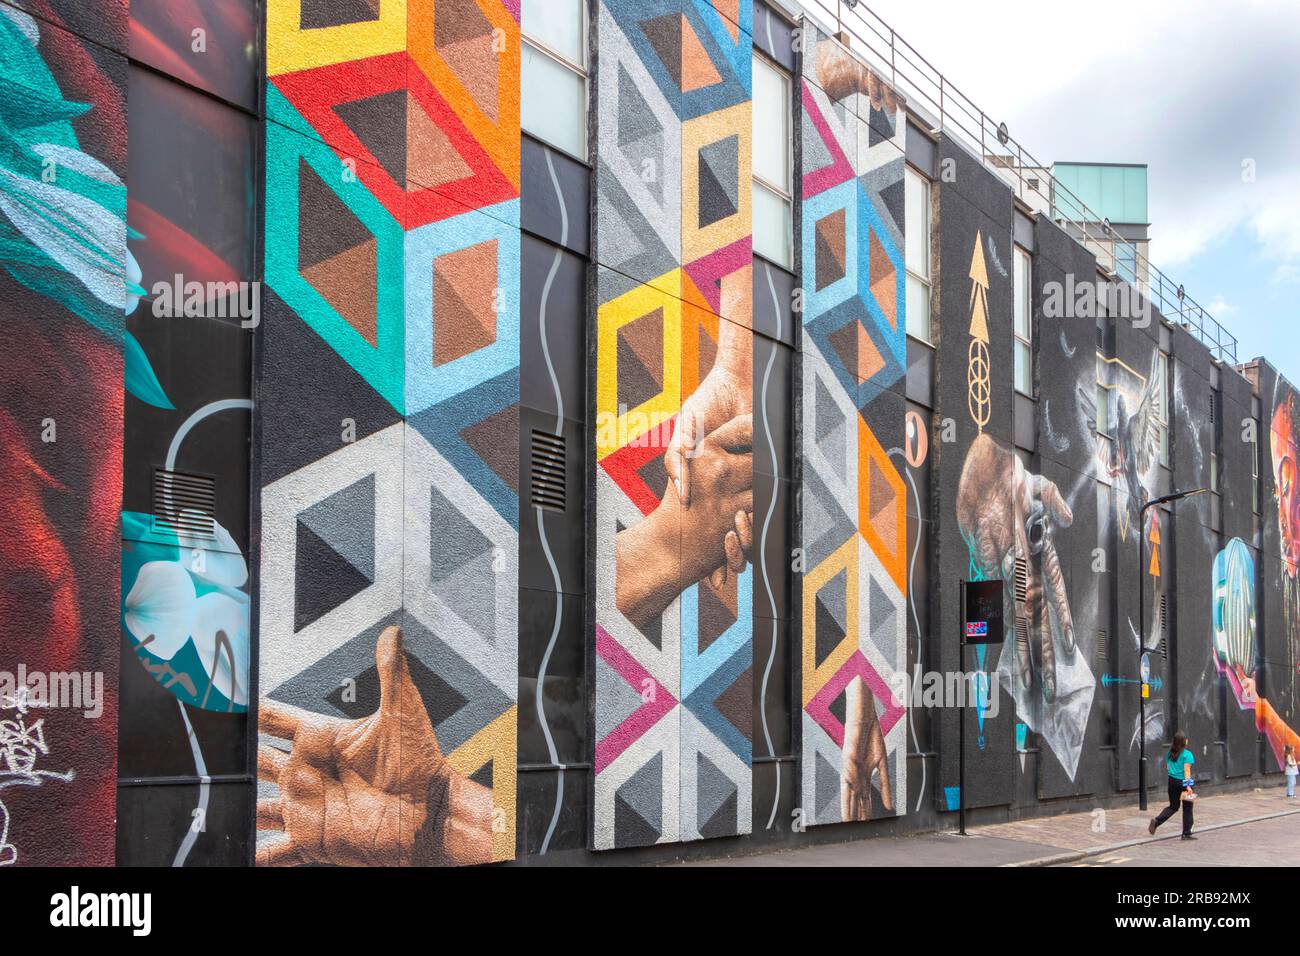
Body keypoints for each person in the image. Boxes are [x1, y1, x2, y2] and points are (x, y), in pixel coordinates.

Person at [1148, 731, 1196, 840]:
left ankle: (1157, 821)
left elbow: (1168, 768)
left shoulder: (1170, 753)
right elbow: (1187, 770)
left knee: (1173, 806)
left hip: (1172, 781)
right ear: (1184, 741)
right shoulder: (1187, 754)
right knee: (1188, 808)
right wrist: (1188, 786)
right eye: (1186, 739)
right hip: (1184, 782)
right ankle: (1186, 833)